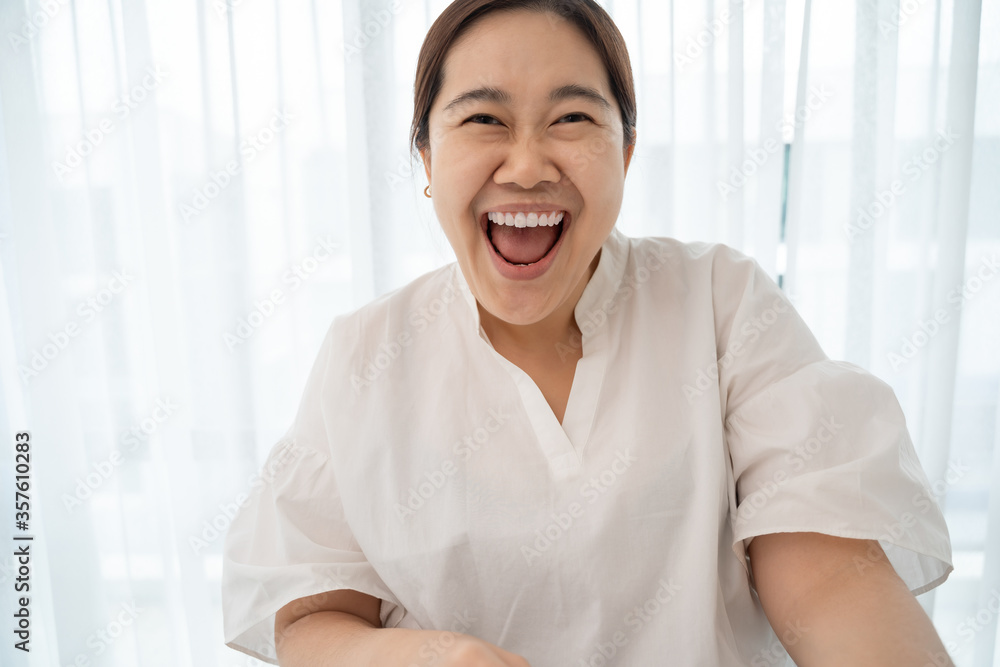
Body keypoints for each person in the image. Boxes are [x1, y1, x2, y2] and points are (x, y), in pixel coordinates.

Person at [221, 1, 955, 665]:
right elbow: (311, 618)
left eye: (572, 119)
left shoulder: (721, 303)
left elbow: (827, 576)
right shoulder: (365, 355)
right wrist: (430, 658)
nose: (527, 166)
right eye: (484, 120)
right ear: (428, 159)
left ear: (626, 153)